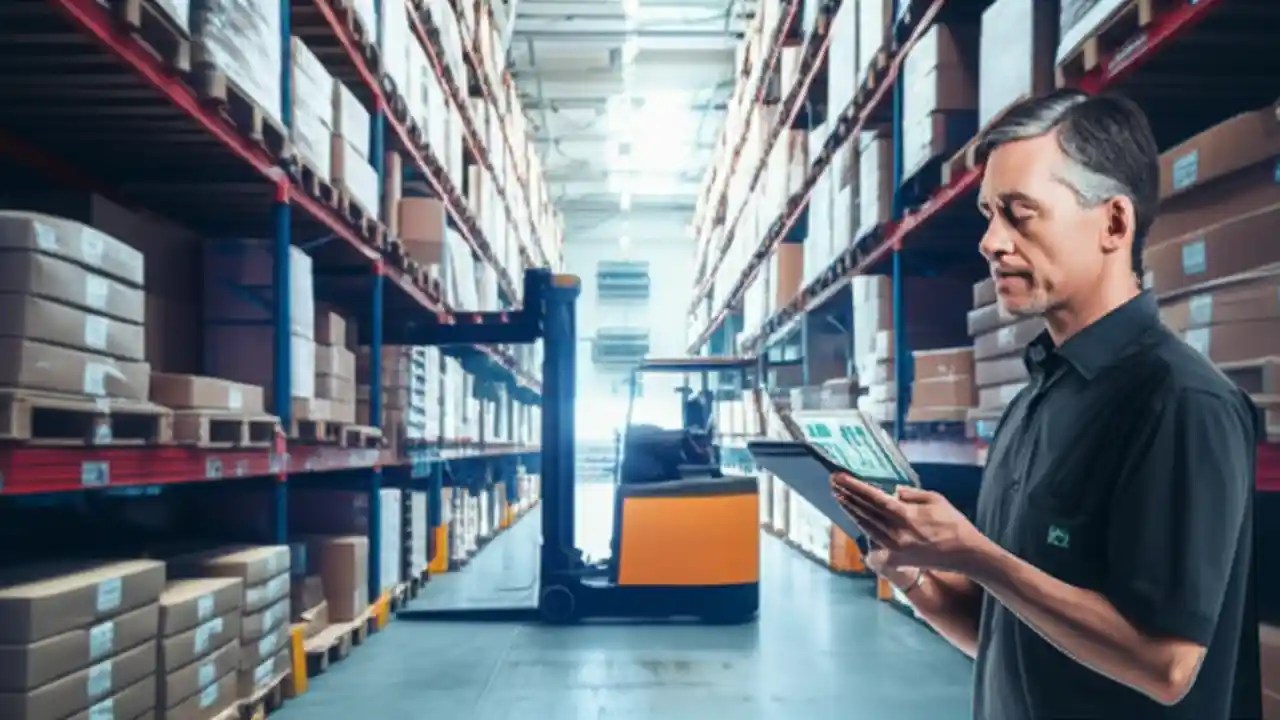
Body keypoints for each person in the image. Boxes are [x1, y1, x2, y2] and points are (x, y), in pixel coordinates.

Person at [831, 90, 1261, 719]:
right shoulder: (1036, 399)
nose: (990, 241)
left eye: (1019, 213)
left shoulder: (1179, 402)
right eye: (987, 213)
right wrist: (913, 570)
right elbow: (1005, 635)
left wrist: (975, 554)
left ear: (1114, 223)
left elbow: (1166, 666)